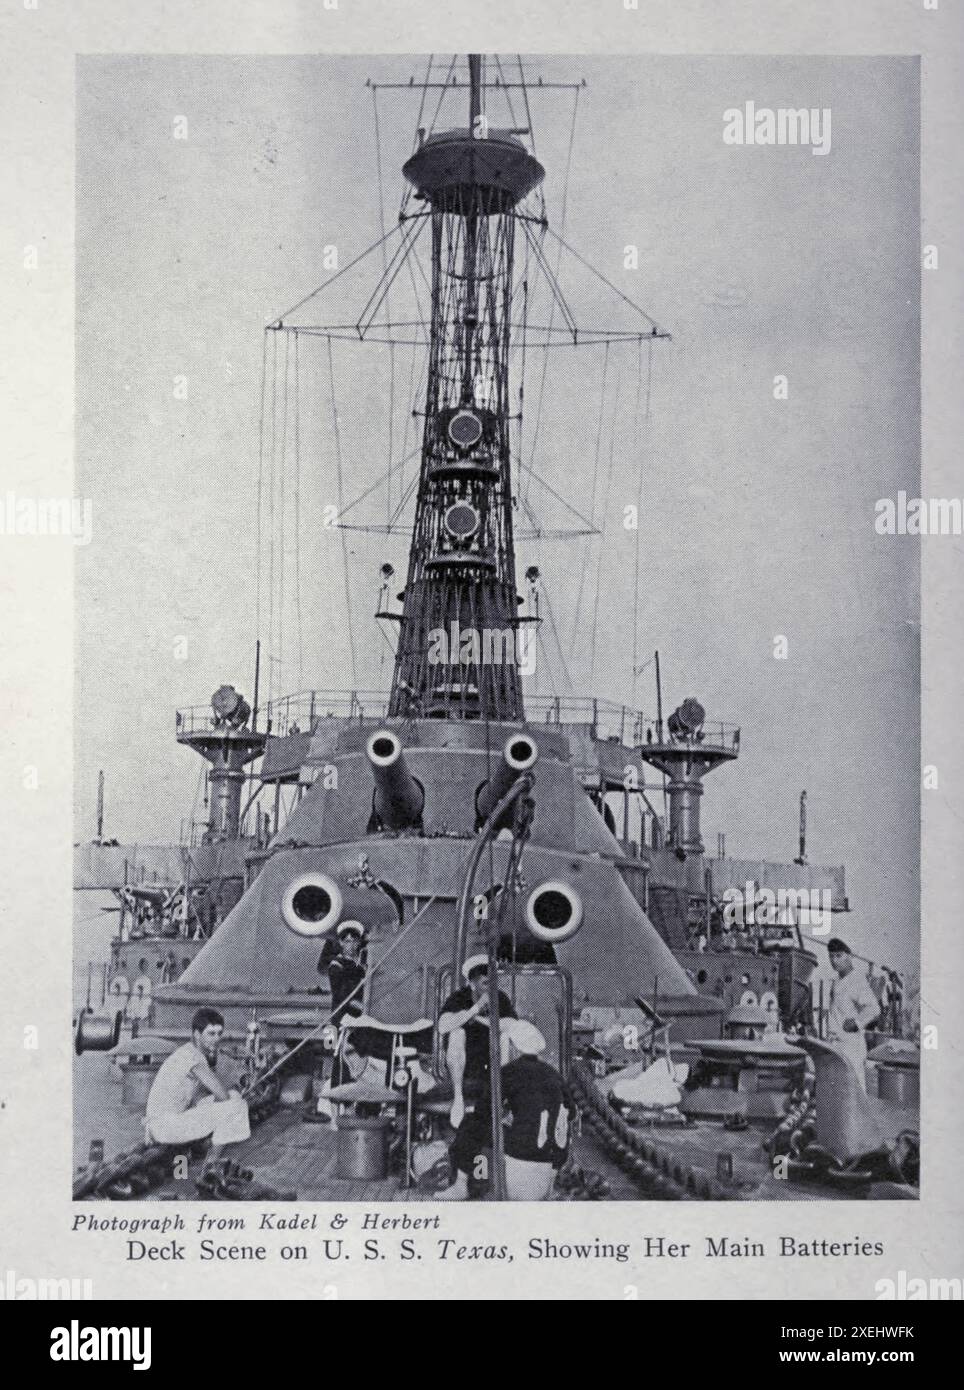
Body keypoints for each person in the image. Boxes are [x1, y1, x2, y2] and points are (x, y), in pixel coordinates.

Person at [442, 1019, 573, 1201]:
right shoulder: (555, 1075)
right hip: (547, 1175)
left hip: (517, 1172)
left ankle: (461, 1185)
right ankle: (553, 1185)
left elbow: (483, 1113)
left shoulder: (507, 1072)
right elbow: (570, 1113)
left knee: (471, 1122)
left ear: (513, 1047)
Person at [145, 1007, 249, 1178]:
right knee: (237, 1104)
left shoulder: (188, 1052)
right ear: (196, 1034)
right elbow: (222, 1096)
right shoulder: (193, 1059)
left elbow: (198, 1098)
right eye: (211, 1034)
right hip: (165, 1127)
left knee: (233, 1098)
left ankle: (202, 1157)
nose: (216, 1039)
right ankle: (210, 1166)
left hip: (164, 1122)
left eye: (219, 1033)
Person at [437, 953, 516, 1127]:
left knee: (505, 1037)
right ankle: (458, 1100)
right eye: (485, 983)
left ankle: (500, 1100)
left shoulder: (500, 998)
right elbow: (443, 1026)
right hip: (462, 1064)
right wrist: (474, 1010)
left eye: (492, 983)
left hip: (491, 1062)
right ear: (473, 985)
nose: (490, 988)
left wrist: (479, 1019)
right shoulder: (460, 997)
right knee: (457, 1033)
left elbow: (512, 1025)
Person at [827, 938, 880, 1092]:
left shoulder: (856, 980)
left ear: (849, 956)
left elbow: (874, 1008)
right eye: (831, 956)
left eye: (838, 956)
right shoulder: (837, 981)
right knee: (838, 1092)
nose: (834, 961)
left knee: (854, 1091)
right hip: (835, 1044)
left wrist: (857, 1022)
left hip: (851, 1046)